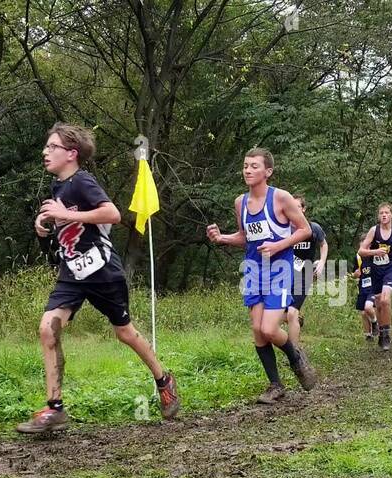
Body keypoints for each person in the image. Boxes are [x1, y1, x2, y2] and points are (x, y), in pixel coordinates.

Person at [17, 123, 179, 434]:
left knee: (125, 334)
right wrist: (45, 222)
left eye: (52, 147)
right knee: (47, 328)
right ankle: (55, 409)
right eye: (47, 146)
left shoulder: (83, 182)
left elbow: (112, 214)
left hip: (103, 273)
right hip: (72, 275)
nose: (45, 152)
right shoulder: (58, 188)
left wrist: (66, 216)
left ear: (71, 154)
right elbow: (66, 225)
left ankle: (163, 380)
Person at [206, 148, 318, 404]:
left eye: (254, 166)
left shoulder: (281, 198)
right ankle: (275, 385)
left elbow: (305, 230)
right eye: (245, 165)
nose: (247, 170)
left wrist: (278, 245)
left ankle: (296, 357)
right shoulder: (240, 202)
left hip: (280, 268)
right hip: (254, 269)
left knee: (269, 328)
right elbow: (245, 237)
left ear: (267, 171)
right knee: (257, 330)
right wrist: (222, 238)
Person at [358, 203, 392, 351]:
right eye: (381, 213)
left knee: (385, 300)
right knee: (379, 305)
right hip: (376, 272)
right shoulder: (374, 231)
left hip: (391, 269)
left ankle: (386, 334)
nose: (384, 215)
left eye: (387, 213)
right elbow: (361, 251)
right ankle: (381, 332)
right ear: (378, 216)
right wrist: (375, 252)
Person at [286, 195, 328, 345]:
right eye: (291, 207)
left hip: (305, 274)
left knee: (291, 312)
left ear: (303, 209)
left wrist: (322, 263)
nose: (294, 210)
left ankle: (295, 354)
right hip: (285, 274)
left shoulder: (314, 228)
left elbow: (323, 245)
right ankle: (297, 318)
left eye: (297, 207)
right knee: (280, 314)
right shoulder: (284, 229)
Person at [352, 251, 378, 340]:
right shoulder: (358, 258)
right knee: (363, 313)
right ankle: (368, 335)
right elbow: (354, 274)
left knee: (369, 308)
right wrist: (355, 275)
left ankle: (376, 324)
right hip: (362, 288)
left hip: (373, 287)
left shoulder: (374, 256)